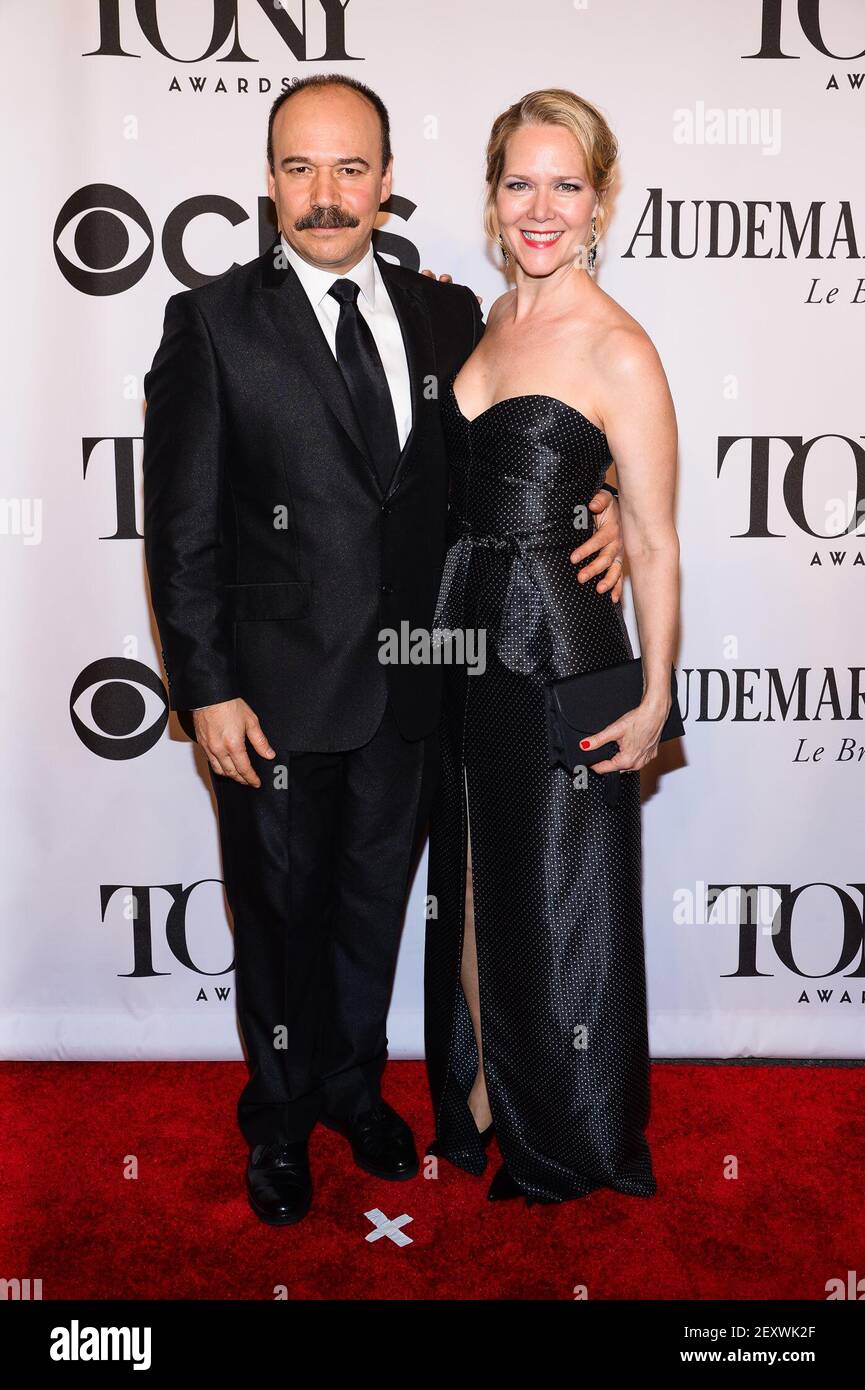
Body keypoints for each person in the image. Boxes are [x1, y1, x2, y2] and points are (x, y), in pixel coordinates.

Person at [142, 74, 625, 1227]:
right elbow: (180, 527)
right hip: (272, 696)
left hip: (417, 681)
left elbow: (503, 467)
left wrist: (598, 500)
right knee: (277, 918)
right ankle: (277, 1117)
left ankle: (355, 1092)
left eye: (349, 167)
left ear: (388, 181)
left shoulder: (444, 317)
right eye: (299, 168)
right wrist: (204, 690)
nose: (324, 194)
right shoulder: (209, 323)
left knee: (371, 908)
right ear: (268, 181)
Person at [425, 88, 680, 1206]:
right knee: (478, 876)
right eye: (519, 182)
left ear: (601, 202)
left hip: (555, 640)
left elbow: (660, 544)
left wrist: (655, 699)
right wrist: (605, 492)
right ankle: (484, 1094)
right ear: (491, 198)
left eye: (565, 184)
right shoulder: (487, 315)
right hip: (463, 629)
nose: (541, 207)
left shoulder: (620, 347)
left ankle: (567, 1126)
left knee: (558, 890)